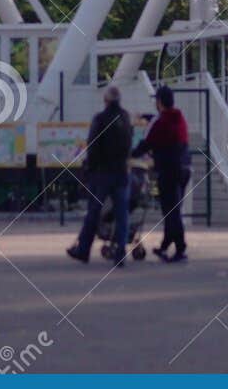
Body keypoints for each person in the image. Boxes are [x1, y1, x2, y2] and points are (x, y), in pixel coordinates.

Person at [68, 84, 134, 267]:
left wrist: (90, 168)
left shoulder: (100, 119)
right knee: (122, 214)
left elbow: (93, 146)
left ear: (106, 100)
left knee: (94, 212)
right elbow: (129, 143)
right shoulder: (126, 117)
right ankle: (120, 251)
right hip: (121, 172)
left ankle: (83, 250)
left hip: (103, 173)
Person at [132, 85, 189, 263]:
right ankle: (165, 245)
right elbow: (158, 123)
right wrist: (146, 117)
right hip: (183, 169)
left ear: (159, 102)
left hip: (168, 171)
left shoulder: (161, 122)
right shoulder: (179, 119)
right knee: (173, 210)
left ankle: (180, 249)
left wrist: (128, 155)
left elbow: (146, 143)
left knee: (171, 212)